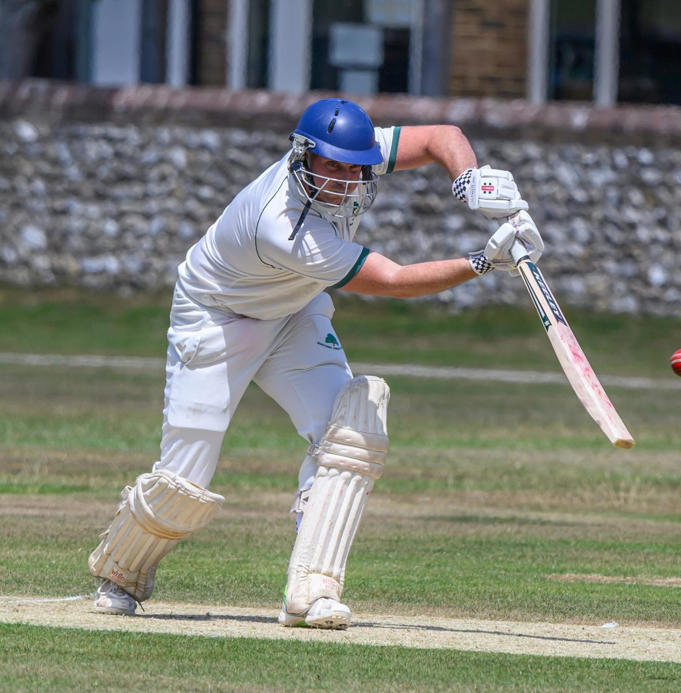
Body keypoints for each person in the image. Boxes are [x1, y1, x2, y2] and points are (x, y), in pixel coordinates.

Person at [88, 97, 544, 629]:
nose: (345, 179)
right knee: (185, 474)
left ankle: (313, 590)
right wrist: (485, 261)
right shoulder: (281, 225)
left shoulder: (352, 157)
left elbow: (442, 134)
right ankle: (120, 572)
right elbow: (393, 282)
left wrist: (472, 182)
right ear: (303, 155)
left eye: (355, 168)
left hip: (295, 309)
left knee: (352, 430)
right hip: (217, 316)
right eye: (331, 166)